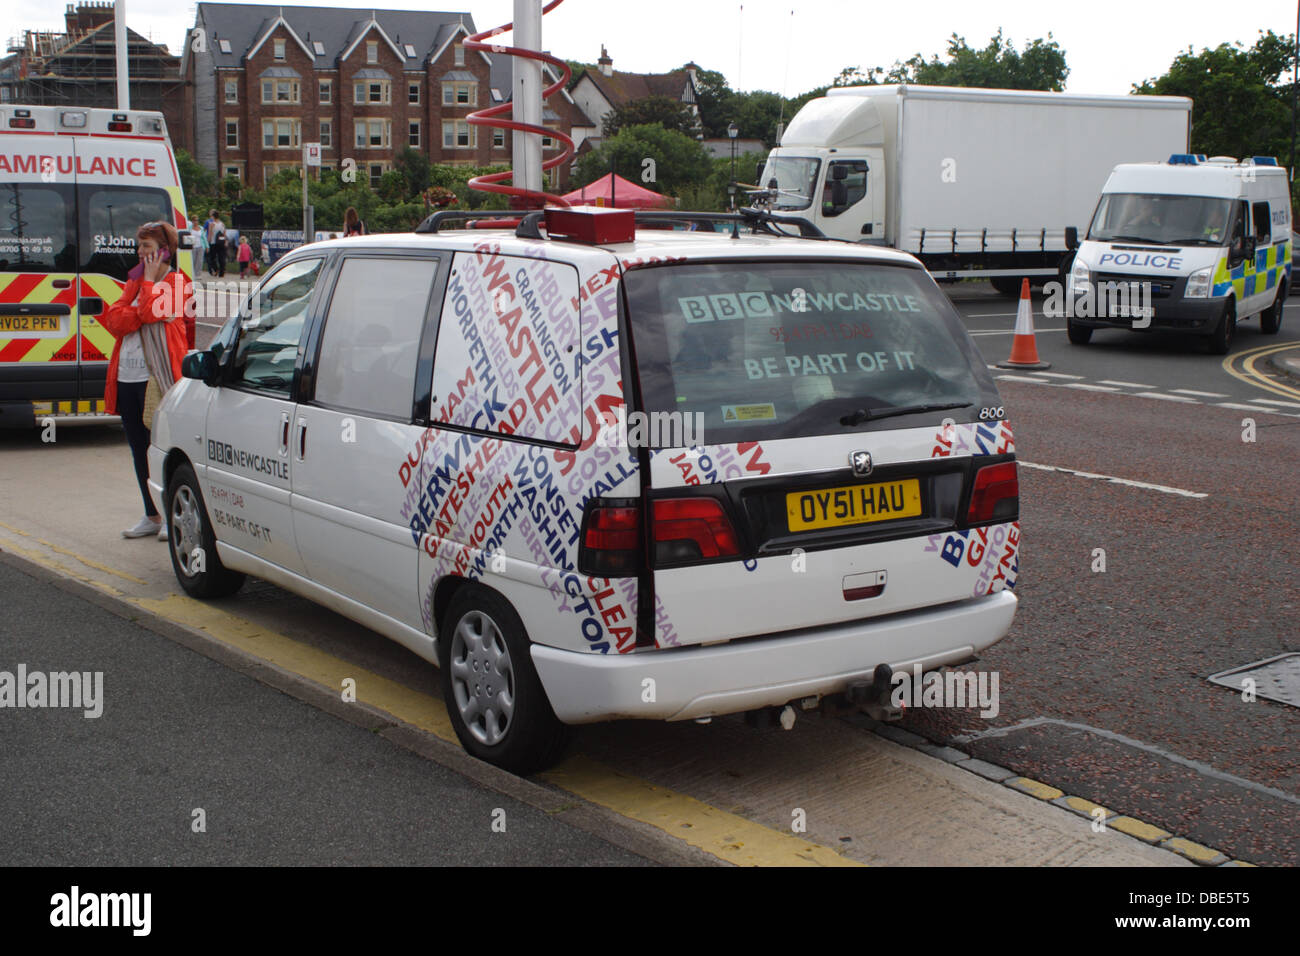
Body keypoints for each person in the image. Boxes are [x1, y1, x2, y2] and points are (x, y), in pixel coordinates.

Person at [98, 221, 190, 541]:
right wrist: (140, 306)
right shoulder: (134, 283)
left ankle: (168, 514)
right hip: (127, 376)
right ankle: (150, 514)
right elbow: (113, 319)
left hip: (157, 377)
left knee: (160, 448)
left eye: (146, 247)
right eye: (139, 247)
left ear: (164, 251)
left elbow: (152, 311)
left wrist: (145, 293)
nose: (140, 253)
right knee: (138, 449)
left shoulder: (178, 282)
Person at [209, 212, 228, 277]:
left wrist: (208, 241)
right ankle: (222, 272)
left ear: (213, 217)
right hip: (221, 242)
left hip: (213, 243)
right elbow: (224, 233)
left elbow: (210, 234)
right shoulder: (222, 224)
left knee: (212, 258)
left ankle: (216, 269)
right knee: (221, 258)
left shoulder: (212, 224)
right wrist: (225, 241)